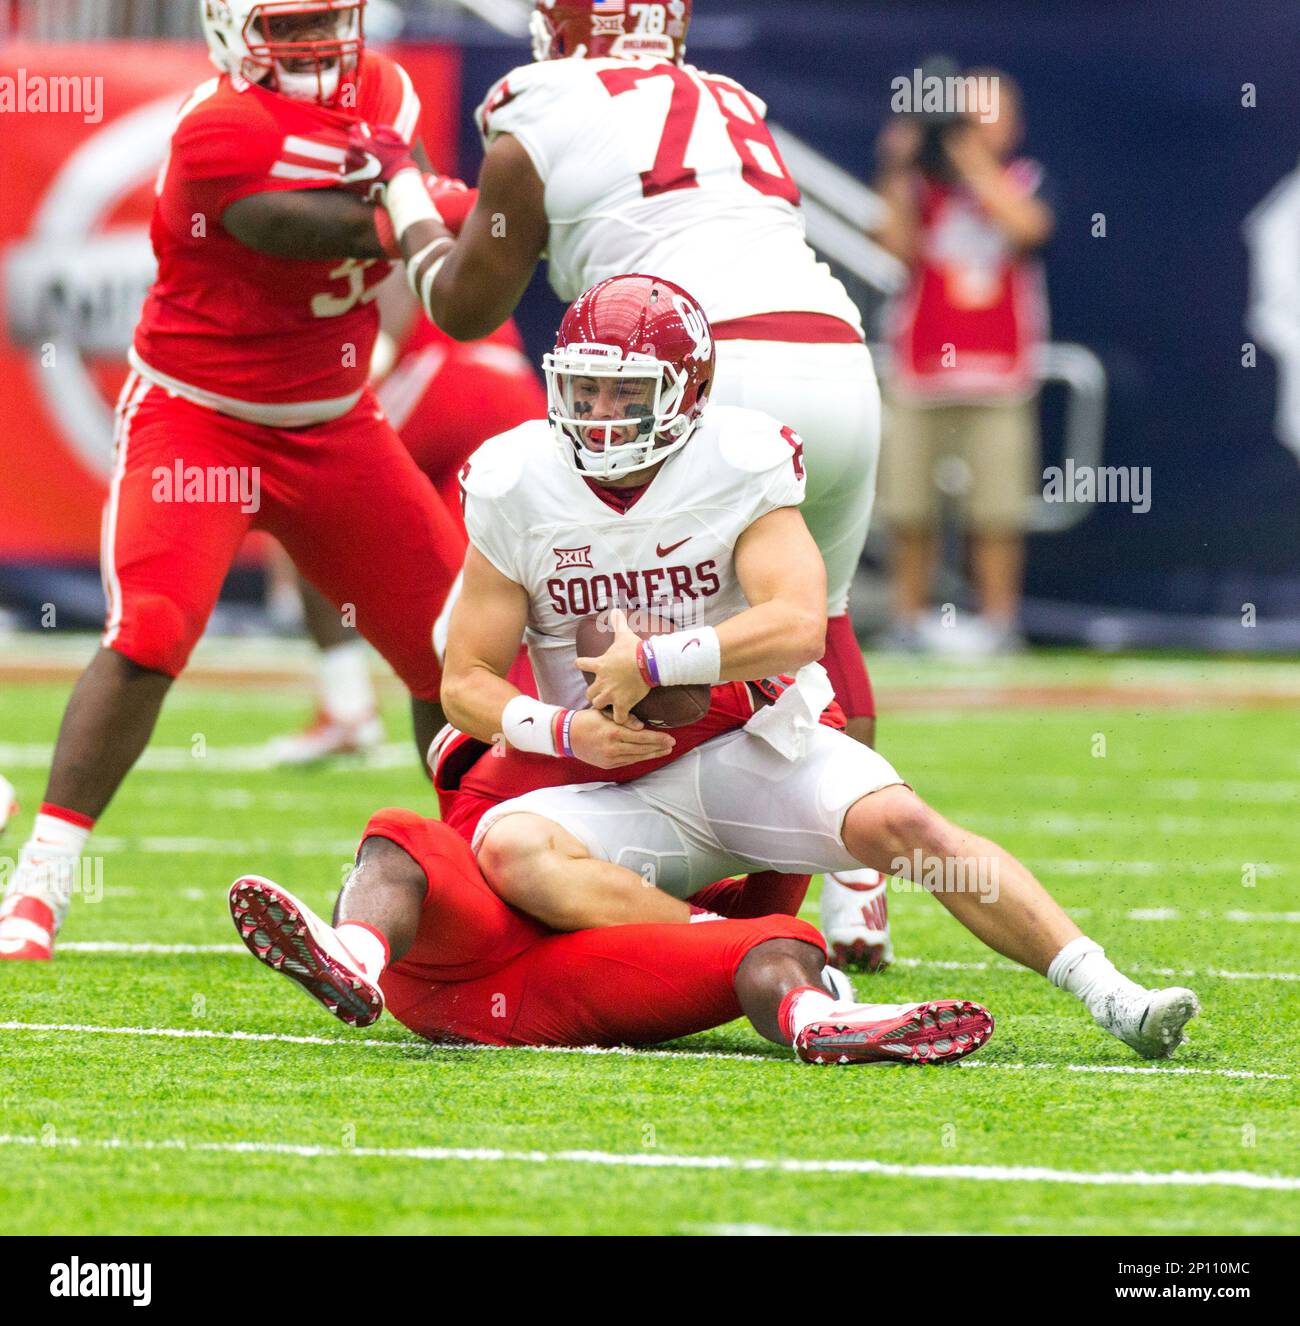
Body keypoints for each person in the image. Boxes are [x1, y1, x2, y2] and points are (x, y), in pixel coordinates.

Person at [431, 274, 1197, 1061]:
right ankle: (760, 958)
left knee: (906, 825)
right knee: (512, 851)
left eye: (625, 393)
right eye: (583, 389)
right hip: (615, 779)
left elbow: (800, 623)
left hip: (752, 746)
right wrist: (563, 730)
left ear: (690, 389)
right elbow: (466, 680)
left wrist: (656, 658)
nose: (597, 415)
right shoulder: (518, 480)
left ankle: (1111, 994)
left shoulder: (734, 459)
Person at [340, 0, 892, 968]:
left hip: (693, 368)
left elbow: (464, 304)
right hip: (837, 354)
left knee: (571, 611)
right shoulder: (729, 100)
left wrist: (404, 197)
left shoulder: (539, 106)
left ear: (556, 28)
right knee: (819, 620)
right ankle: (855, 899)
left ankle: (564, 850)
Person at [0, 0, 468, 960]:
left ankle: (474, 864)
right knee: (153, 631)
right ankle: (39, 885)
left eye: (326, 20)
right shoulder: (219, 128)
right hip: (198, 416)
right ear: (230, 31)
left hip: (336, 422)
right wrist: (423, 210)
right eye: (288, 26)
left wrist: (422, 200)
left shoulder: (384, 86)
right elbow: (295, 226)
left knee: (453, 650)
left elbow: (394, 206)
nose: (312, 44)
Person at [227, 823, 995, 1064]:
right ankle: (353, 956)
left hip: (565, 973)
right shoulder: (537, 713)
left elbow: (757, 907)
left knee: (775, 939)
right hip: (470, 940)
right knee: (402, 835)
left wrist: (831, 854)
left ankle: (814, 1019)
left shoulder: (727, 752)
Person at [266, 287, 547, 766]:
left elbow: (395, 279)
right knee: (484, 567)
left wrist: (377, 358)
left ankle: (348, 706)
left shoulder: (356, 223)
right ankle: (531, 711)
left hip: (443, 374)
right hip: (517, 386)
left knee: (309, 488)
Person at [872, 68, 1054, 654]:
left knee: (997, 505)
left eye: (987, 113)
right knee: (909, 504)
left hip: (1000, 371)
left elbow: (1029, 227)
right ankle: (908, 621)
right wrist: (898, 167)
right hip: (921, 370)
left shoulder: (1027, 177)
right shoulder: (922, 186)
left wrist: (973, 162)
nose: (973, 124)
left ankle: (1000, 623)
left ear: (1014, 123)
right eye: (963, 114)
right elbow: (894, 248)